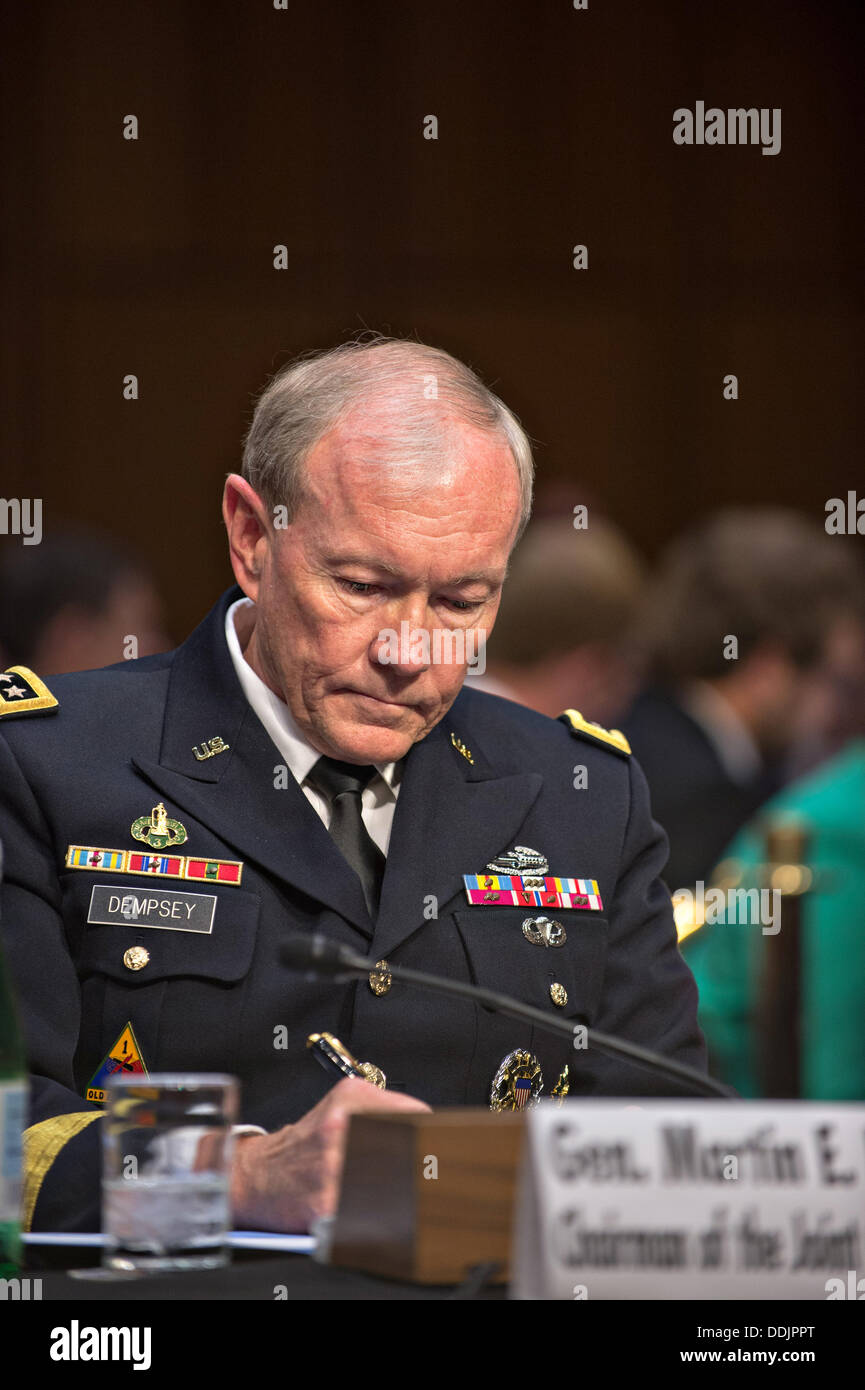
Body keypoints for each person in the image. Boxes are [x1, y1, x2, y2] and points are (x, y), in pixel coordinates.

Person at [0, 336, 706, 1236]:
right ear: (252, 537)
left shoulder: (580, 794)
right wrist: (231, 1172)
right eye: (363, 585)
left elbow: (667, 1140)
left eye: (461, 602)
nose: (408, 652)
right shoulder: (46, 766)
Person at [619, 511, 865, 893]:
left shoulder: (634, 728)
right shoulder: (703, 807)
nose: (836, 714)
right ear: (768, 670)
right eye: (836, 681)